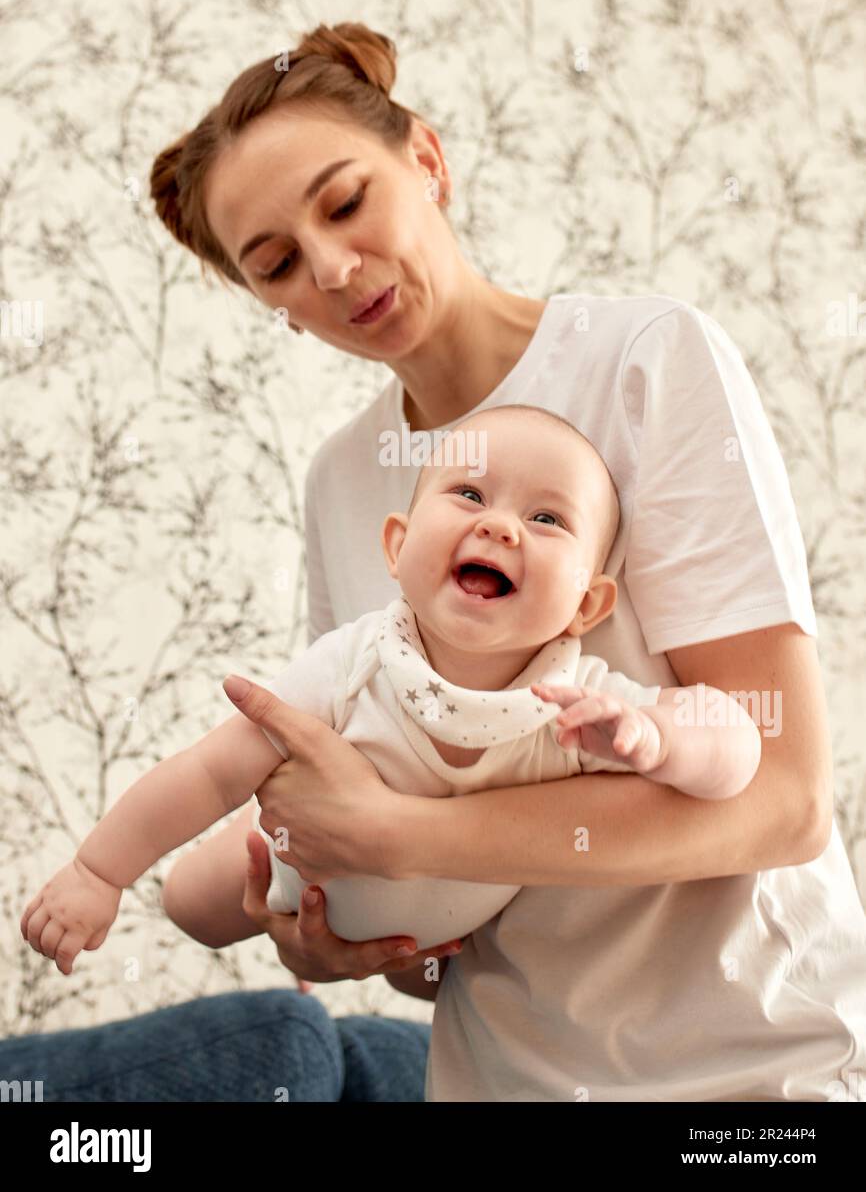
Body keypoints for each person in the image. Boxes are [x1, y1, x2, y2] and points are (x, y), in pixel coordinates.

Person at [4, 20, 864, 1103]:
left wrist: (396, 832)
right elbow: (430, 906)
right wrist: (336, 935)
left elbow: (779, 803)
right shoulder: (344, 483)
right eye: (274, 264)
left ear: (425, 158)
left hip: (748, 1061)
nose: (328, 265)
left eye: (345, 201)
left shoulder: (644, 361)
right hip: (502, 1078)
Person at [20, 407, 763, 983]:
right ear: (397, 546)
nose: (499, 524)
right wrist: (98, 872)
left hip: (417, 927)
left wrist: (658, 740)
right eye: (469, 493)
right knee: (191, 904)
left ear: (588, 606)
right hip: (298, 862)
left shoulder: (581, 708)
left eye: (546, 519)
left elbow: (735, 754)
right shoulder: (352, 665)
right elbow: (208, 769)